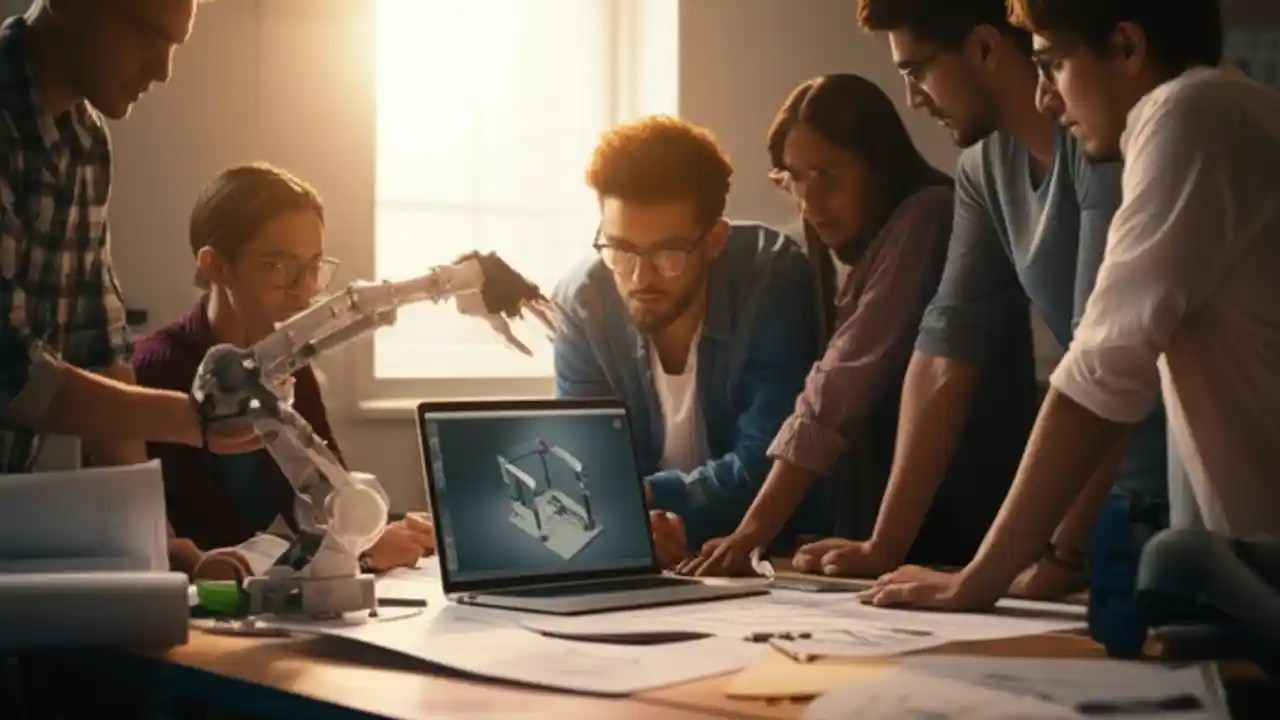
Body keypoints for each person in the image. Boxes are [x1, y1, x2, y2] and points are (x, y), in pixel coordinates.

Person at [864, 0, 1280, 669]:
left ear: (1126, 46)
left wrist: (979, 580)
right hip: (1245, 551)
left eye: (1054, 62)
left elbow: (1100, 371)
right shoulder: (1217, 112)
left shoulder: (1188, 114)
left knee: (1173, 563)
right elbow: (956, 339)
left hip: (1252, 552)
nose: (1044, 97)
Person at [794, 0, 1170, 599]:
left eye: (917, 71)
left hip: (1159, 509)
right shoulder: (983, 169)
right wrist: (885, 544)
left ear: (986, 48)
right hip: (1083, 525)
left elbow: (1100, 371)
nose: (912, 97)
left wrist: (1053, 561)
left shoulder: (1104, 147)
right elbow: (945, 350)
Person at [678, 74, 1034, 577]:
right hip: (908, 533)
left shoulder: (928, 217)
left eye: (828, 175)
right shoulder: (858, 245)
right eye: (794, 178)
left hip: (961, 529)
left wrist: (751, 532)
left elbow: (840, 386)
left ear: (878, 166)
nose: (809, 201)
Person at [133, 163, 432, 578]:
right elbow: (206, 542)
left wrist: (382, 530)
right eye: (280, 266)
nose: (306, 288)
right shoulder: (155, 371)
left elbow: (335, 498)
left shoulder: (291, 369)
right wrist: (359, 551)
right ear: (216, 266)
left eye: (315, 265)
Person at [1, 0, 256, 480]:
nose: (161, 71)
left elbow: (99, 344)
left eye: (173, 46)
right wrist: (191, 418)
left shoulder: (87, 142)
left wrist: (146, 527)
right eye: (146, 35)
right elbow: (7, 371)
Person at [552, 115, 822, 555]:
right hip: (647, 553)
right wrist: (637, 524)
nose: (640, 277)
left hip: (767, 553)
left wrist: (645, 506)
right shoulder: (584, 301)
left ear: (715, 240)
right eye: (620, 249)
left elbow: (770, 461)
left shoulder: (770, 279)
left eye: (668, 253)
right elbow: (586, 465)